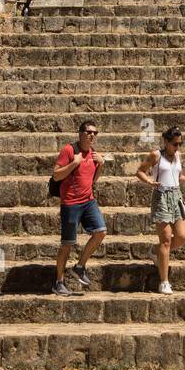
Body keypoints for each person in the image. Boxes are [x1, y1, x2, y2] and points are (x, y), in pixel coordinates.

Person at [136, 126, 185, 294]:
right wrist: (149, 182)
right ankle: (164, 281)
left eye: (180, 144)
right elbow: (140, 171)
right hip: (161, 196)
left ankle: (155, 252)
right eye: (175, 144)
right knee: (165, 240)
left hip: (176, 196)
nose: (177, 147)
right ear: (166, 142)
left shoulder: (178, 156)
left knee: (182, 236)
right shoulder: (155, 155)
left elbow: (179, 177)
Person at [52, 119, 106, 295]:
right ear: (81, 134)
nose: (92, 135)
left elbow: (93, 180)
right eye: (89, 132)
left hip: (88, 201)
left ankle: (80, 266)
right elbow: (56, 175)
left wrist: (101, 165)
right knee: (67, 245)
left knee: (101, 232)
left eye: (95, 133)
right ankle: (58, 282)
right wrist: (74, 163)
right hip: (70, 203)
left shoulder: (93, 153)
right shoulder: (69, 150)